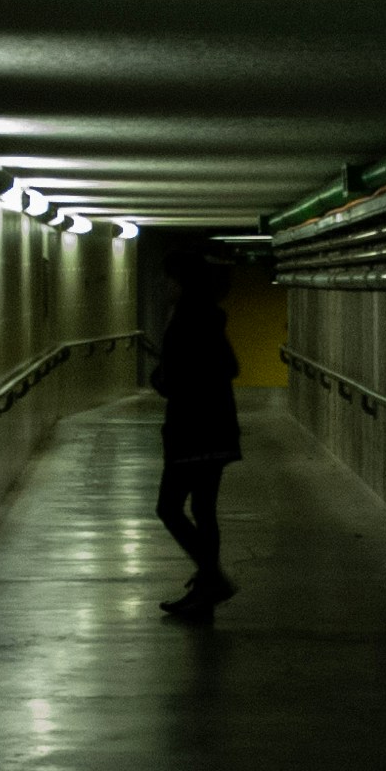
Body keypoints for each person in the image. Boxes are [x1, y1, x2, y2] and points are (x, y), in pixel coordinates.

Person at [151, 256, 243, 617]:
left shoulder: (184, 323)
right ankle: (206, 589)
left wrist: (161, 378)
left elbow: (173, 381)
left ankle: (211, 576)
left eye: (171, 281)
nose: (166, 288)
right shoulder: (210, 318)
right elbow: (230, 367)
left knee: (169, 507)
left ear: (184, 285)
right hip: (218, 428)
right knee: (203, 509)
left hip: (191, 431)